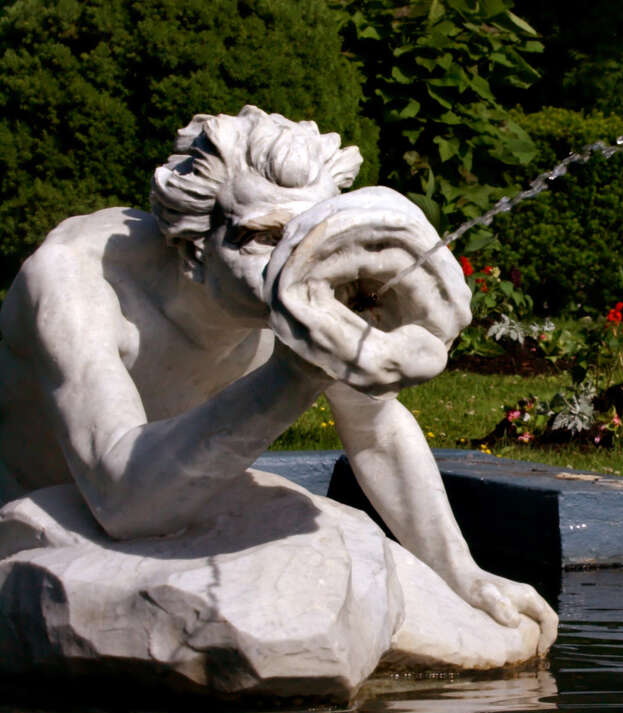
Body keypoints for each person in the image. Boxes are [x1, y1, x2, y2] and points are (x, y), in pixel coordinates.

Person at [0, 106, 556, 653]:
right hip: (41, 520)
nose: (297, 260)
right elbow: (122, 502)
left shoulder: (296, 281)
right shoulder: (77, 282)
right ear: (195, 248)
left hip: (180, 513)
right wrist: (300, 367)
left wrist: (461, 573)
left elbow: (377, 429)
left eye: (310, 232)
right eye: (266, 238)